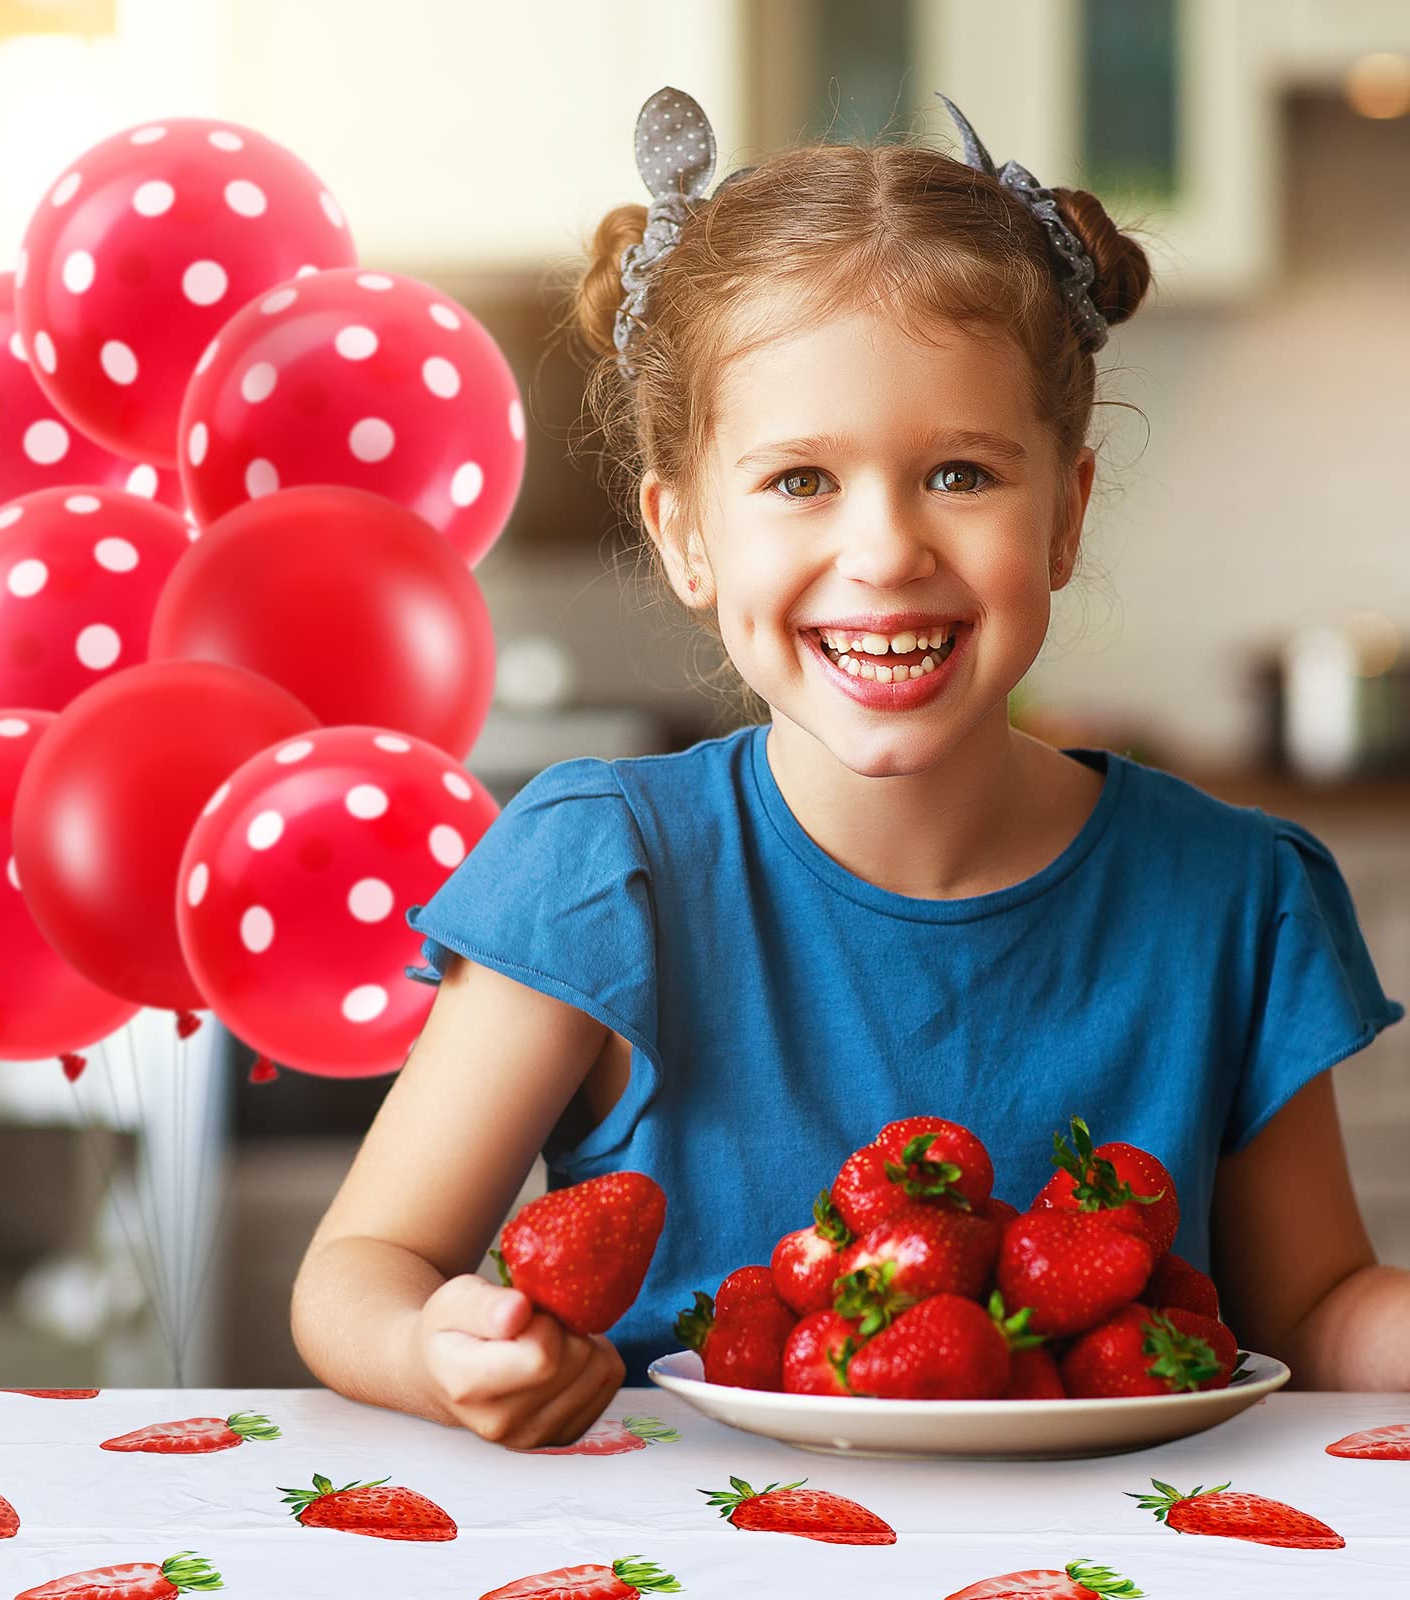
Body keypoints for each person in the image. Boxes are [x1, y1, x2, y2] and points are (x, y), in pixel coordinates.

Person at [289, 87, 1406, 1447]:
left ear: (1065, 515)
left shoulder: (1236, 896)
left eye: (959, 475)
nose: (885, 552)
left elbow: (1320, 1307)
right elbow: (359, 1276)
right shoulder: (606, 869)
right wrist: (432, 1349)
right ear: (686, 533)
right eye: (800, 482)